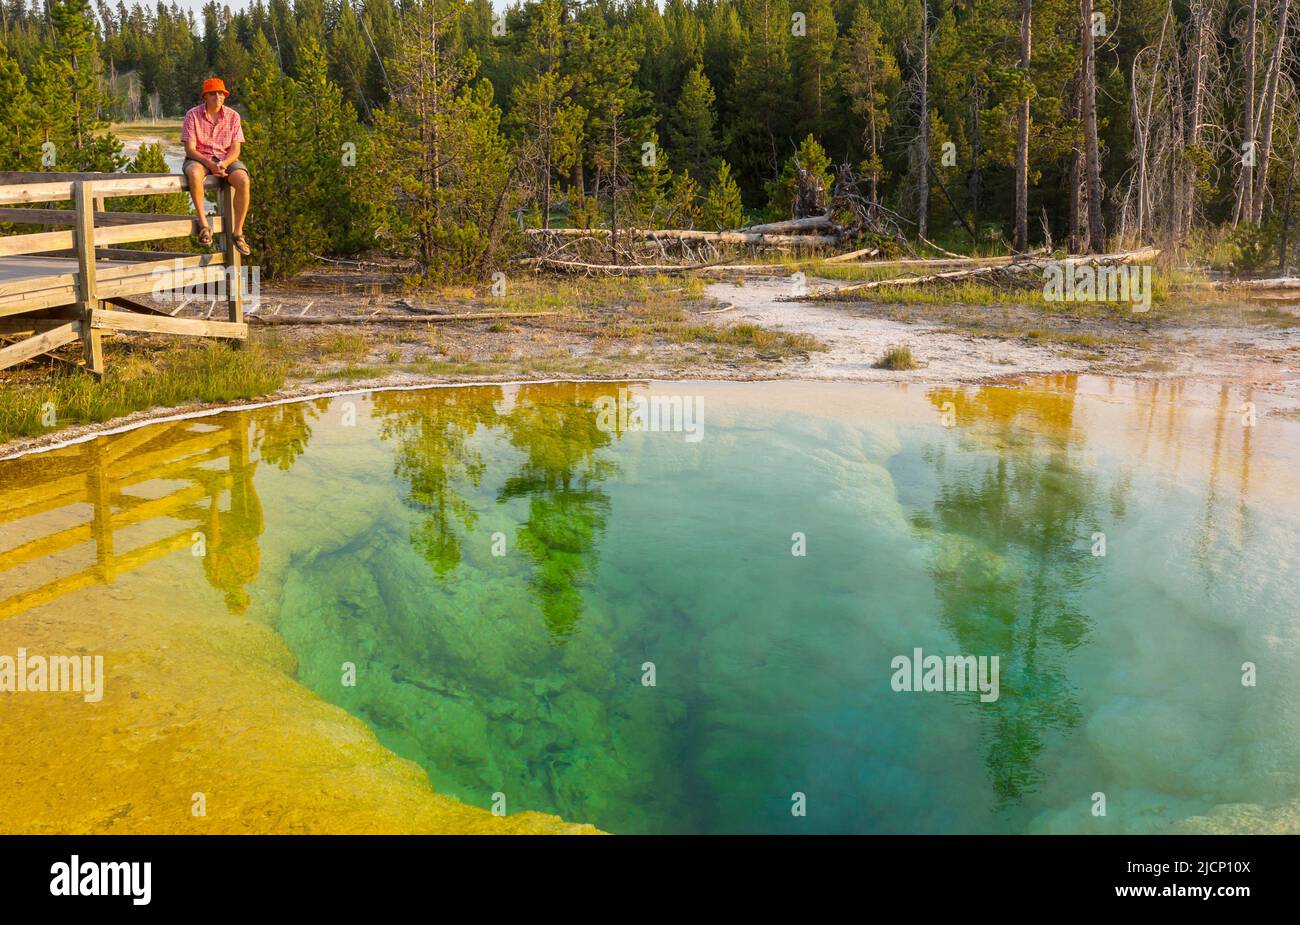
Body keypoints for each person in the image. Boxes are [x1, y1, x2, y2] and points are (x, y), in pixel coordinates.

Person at [181, 77, 251, 255]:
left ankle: (238, 232)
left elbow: (236, 148)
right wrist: (209, 164)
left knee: (243, 180)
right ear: (205, 96)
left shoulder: (233, 116)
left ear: (225, 96)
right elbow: (189, 149)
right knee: (194, 173)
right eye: (213, 93)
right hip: (200, 157)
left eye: (221, 93)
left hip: (225, 158)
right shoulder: (192, 115)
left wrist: (224, 163)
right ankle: (204, 225)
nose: (217, 96)